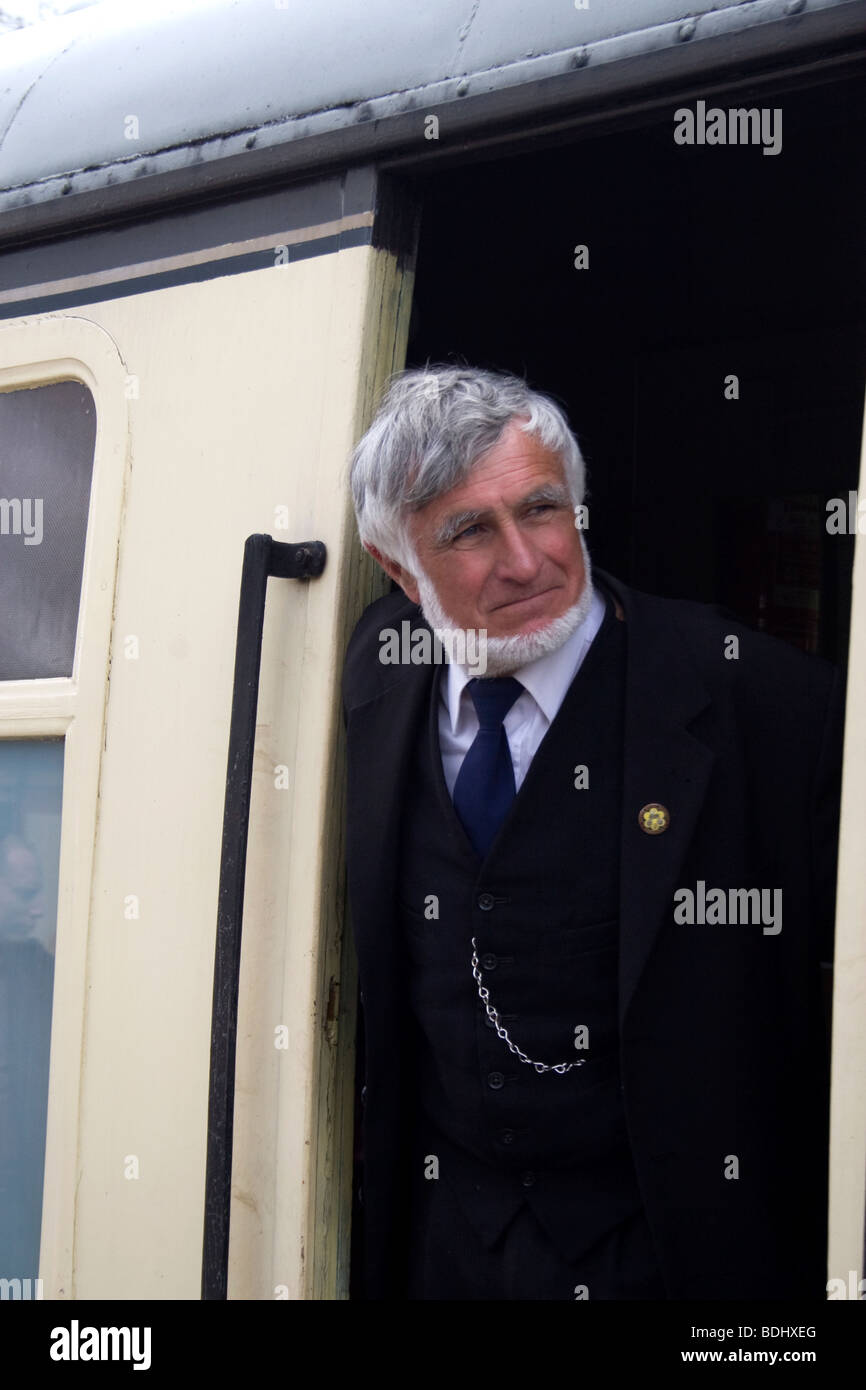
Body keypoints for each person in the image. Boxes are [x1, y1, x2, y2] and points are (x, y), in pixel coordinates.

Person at [342, 365, 843, 1301]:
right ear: (400, 573)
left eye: (541, 509)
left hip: (675, 1255)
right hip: (444, 1245)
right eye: (468, 532)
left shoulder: (765, 702)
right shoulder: (374, 673)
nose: (527, 561)